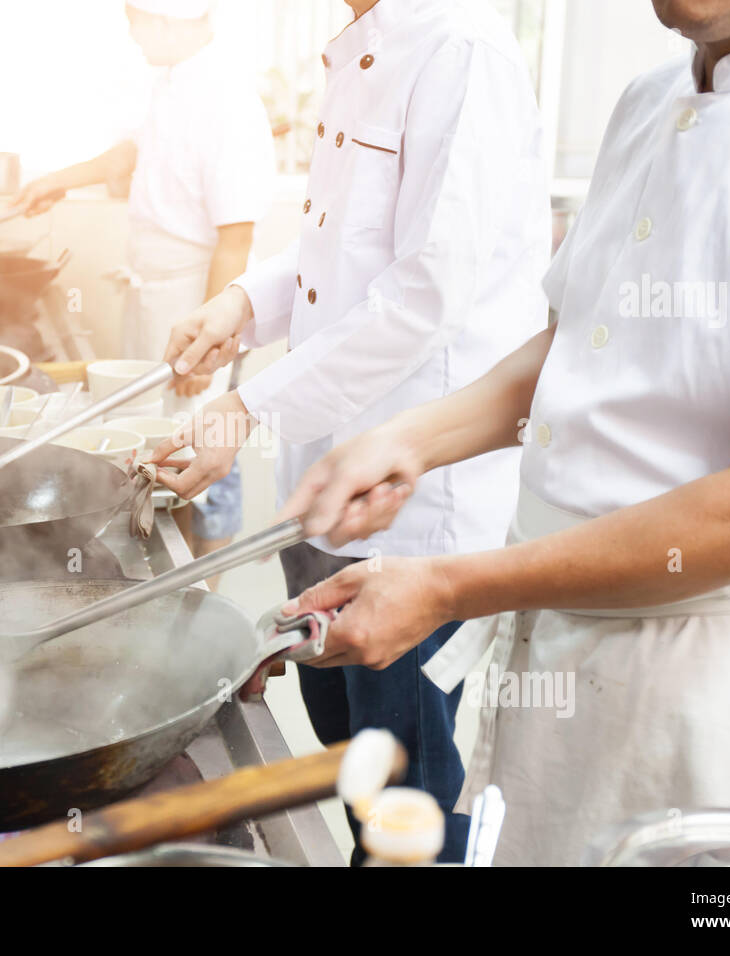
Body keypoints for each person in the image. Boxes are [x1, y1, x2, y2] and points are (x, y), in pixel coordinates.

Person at [270, 0, 730, 865]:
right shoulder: (649, 99)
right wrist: (408, 439)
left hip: (715, 697)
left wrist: (449, 587)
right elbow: (574, 348)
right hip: (561, 657)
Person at [148, 0, 550, 862]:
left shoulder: (463, 50)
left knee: (404, 801)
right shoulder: (360, 46)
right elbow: (336, 253)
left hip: (416, 510)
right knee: (345, 757)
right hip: (328, 483)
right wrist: (242, 305)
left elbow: (423, 295)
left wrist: (245, 407)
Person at [12, 0, 274, 568]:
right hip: (156, 297)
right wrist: (61, 180)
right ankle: (170, 574)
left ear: (164, 17)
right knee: (161, 447)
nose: (130, 32)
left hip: (196, 301)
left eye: (133, 17)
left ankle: (205, 596)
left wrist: (204, 343)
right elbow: (134, 151)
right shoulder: (174, 82)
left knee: (205, 450)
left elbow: (236, 238)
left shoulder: (226, 99)